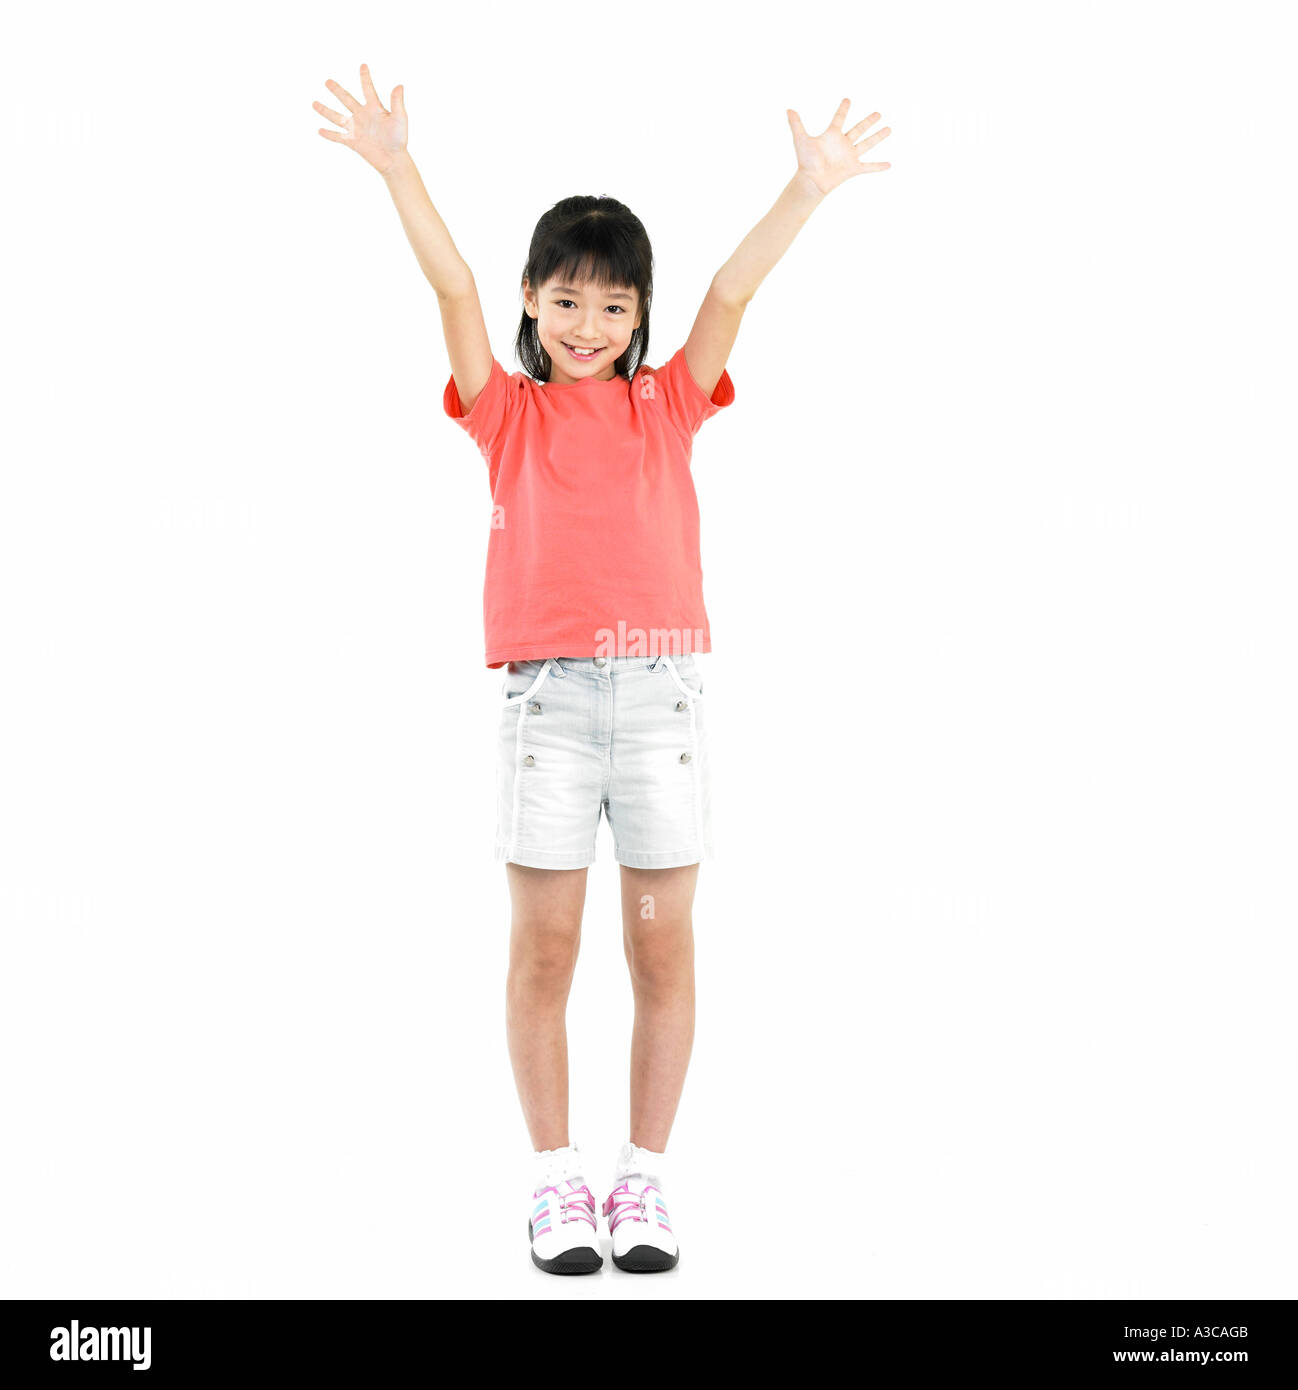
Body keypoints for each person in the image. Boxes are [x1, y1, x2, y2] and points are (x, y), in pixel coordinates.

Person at [314, 67, 891, 1275]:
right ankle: (551, 1180)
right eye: (567, 300)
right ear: (536, 300)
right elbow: (450, 283)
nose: (588, 324)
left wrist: (805, 188)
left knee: (660, 944)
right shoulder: (502, 413)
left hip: (661, 700)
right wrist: (396, 167)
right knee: (545, 948)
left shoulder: (667, 407)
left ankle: (644, 1180)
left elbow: (732, 291)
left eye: (614, 306)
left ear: (637, 318)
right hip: (551, 706)